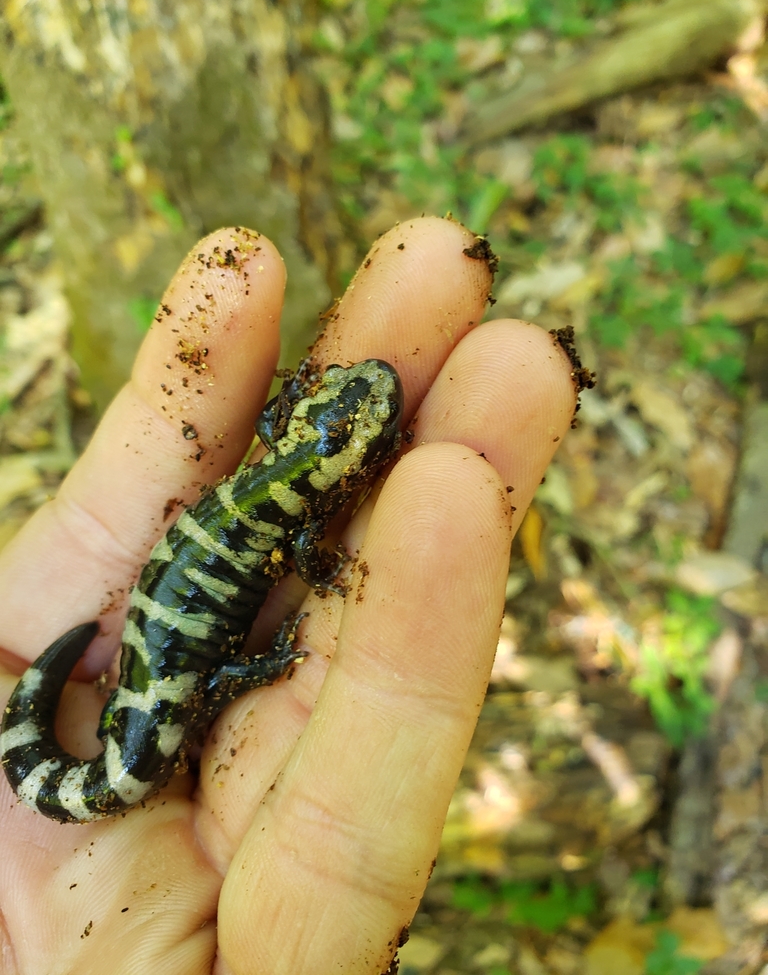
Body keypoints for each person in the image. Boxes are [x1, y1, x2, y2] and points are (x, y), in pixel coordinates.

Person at [0, 216, 576, 974]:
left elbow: (289, 475)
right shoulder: (301, 505)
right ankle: (253, 673)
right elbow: (305, 553)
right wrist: (290, 633)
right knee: (201, 687)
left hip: (154, 660)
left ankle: (194, 685)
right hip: (159, 689)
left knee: (181, 687)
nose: (374, 389)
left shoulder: (287, 459)